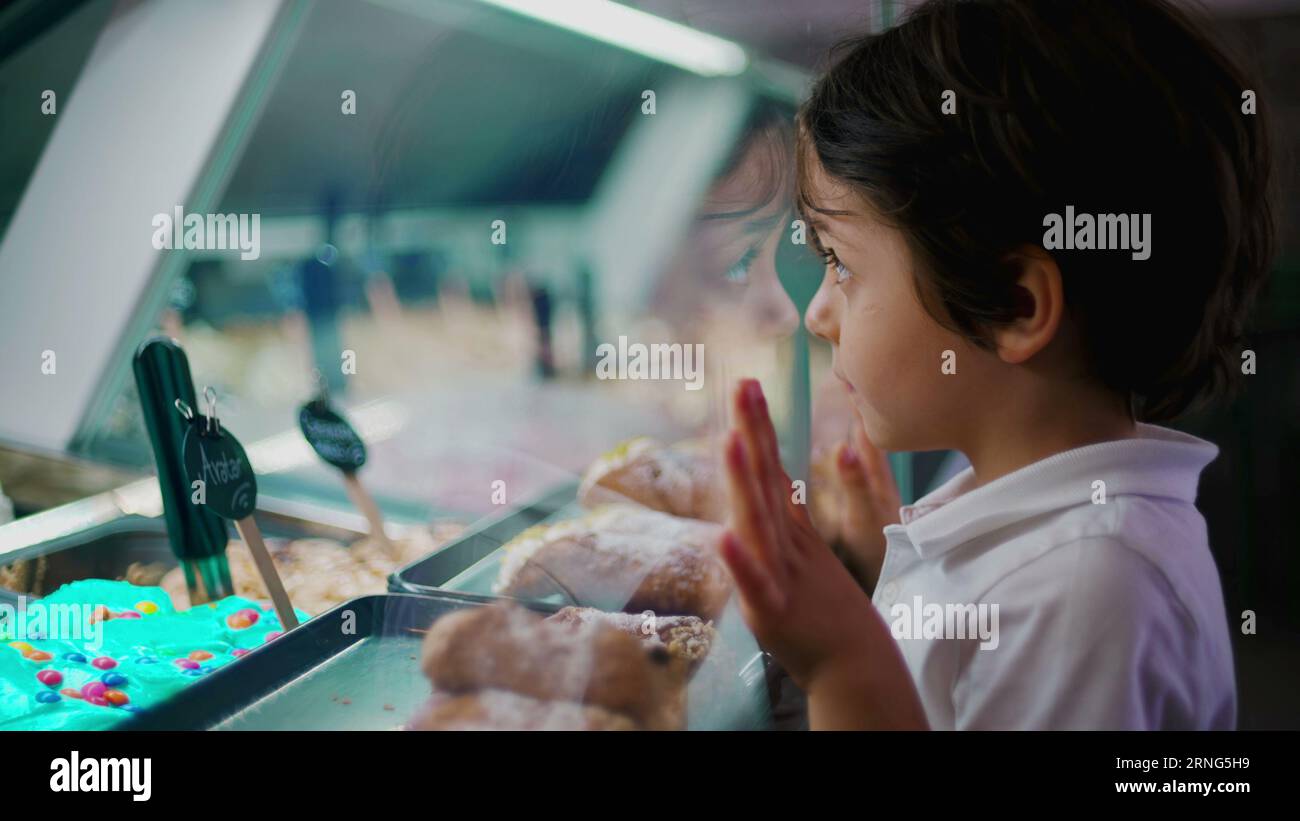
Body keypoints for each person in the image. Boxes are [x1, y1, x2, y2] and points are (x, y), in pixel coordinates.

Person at [716, 0, 1275, 730]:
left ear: (1013, 304)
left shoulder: (1084, 593)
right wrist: (899, 583)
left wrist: (839, 660)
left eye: (840, 264)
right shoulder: (1057, 536)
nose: (817, 314)